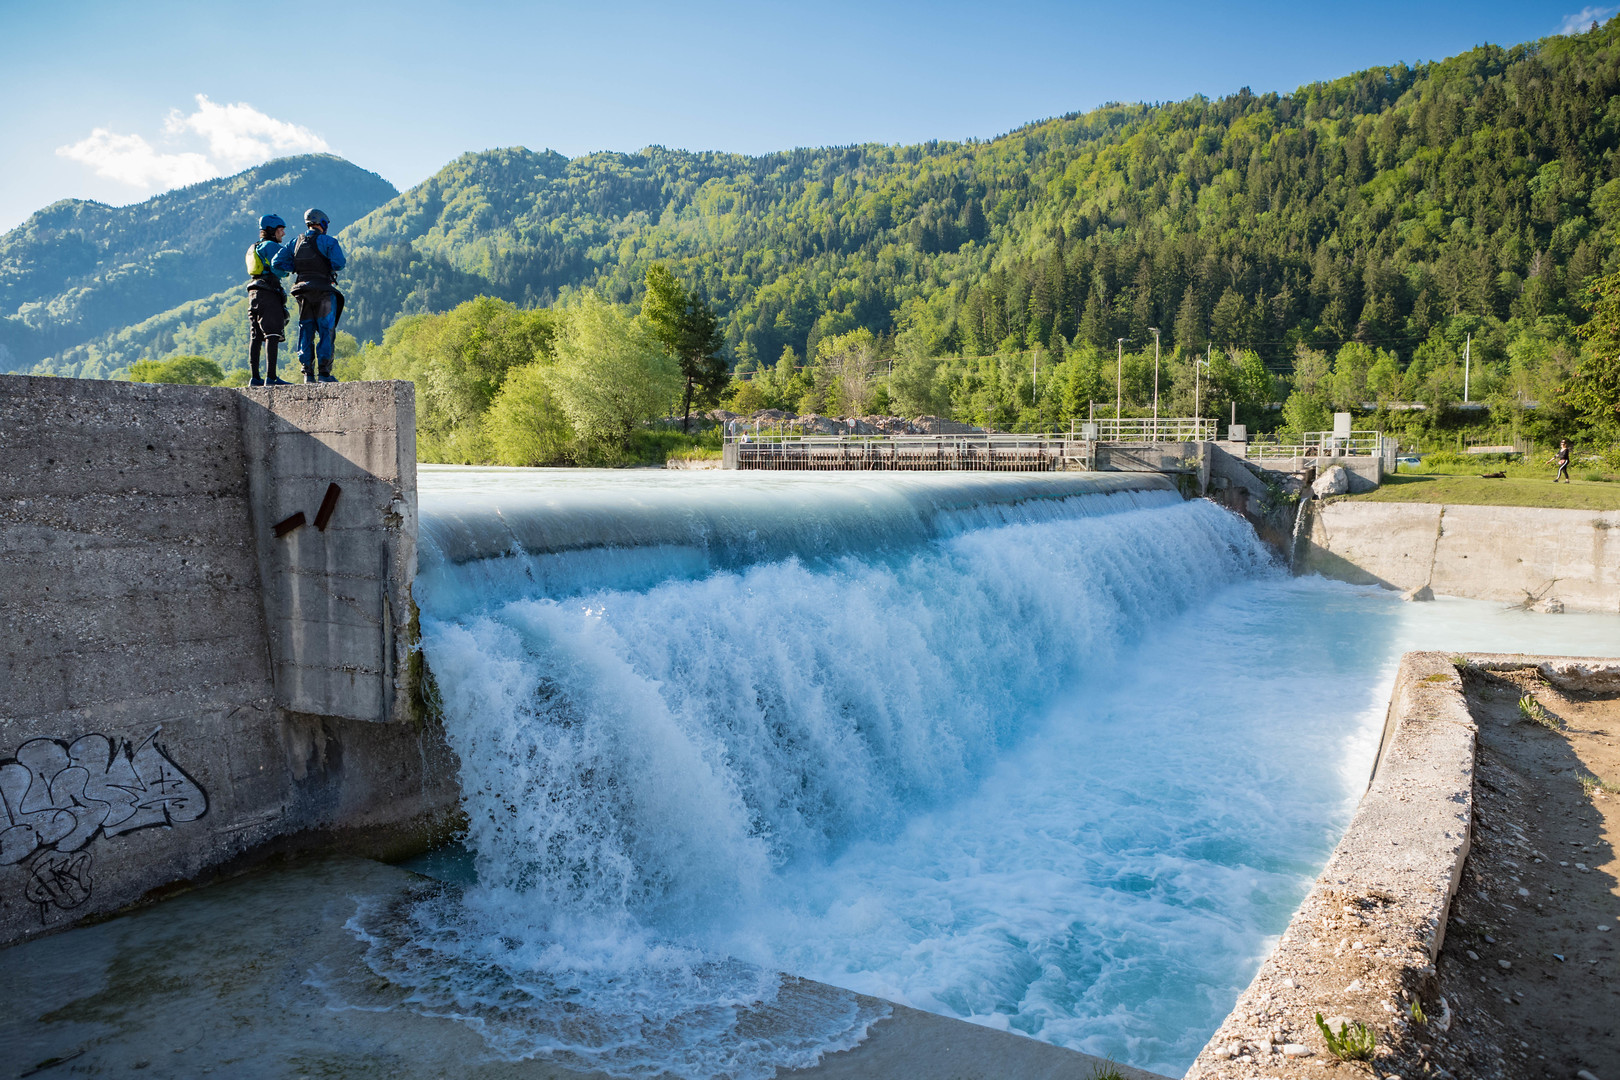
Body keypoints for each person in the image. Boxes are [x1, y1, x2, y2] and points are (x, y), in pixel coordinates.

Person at [272, 208, 347, 383]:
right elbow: (339, 263)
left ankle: (307, 374)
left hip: (302, 292)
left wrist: (295, 267)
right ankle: (324, 373)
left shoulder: (294, 242)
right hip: (323, 291)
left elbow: (277, 262)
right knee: (325, 330)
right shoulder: (329, 242)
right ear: (322, 224)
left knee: (305, 329)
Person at [245, 214, 291, 386]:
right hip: (268, 291)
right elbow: (278, 268)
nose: (283, 234)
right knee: (272, 333)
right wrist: (288, 270)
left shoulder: (254, 247)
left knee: (255, 335)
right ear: (272, 230)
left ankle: (255, 378)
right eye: (281, 230)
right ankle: (271, 377)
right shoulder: (270, 246)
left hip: (253, 292)